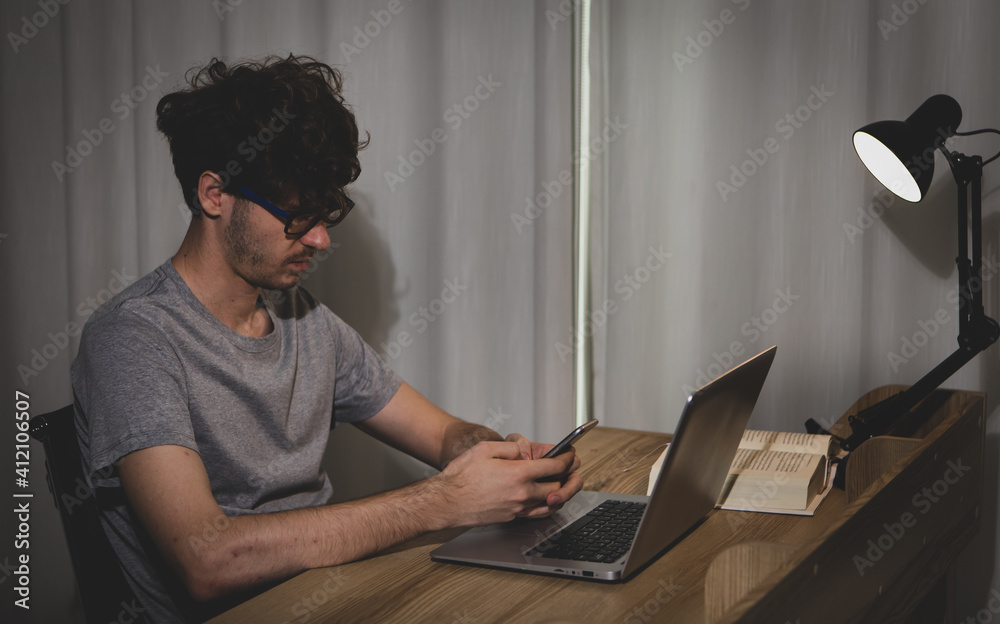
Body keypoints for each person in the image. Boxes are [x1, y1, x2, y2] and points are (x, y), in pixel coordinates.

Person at [71, 54, 583, 623]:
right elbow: (207, 559)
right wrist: (444, 501)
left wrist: (500, 459)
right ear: (214, 195)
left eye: (325, 215)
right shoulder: (132, 338)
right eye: (295, 216)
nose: (319, 239)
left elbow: (444, 436)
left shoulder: (304, 320)